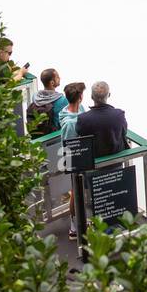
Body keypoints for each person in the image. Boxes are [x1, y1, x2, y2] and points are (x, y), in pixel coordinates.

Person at [58, 81, 87, 238]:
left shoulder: (79, 109)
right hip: (76, 161)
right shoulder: (69, 123)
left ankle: (81, 221)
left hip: (83, 157)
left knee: (79, 193)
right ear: (80, 97)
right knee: (75, 194)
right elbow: (70, 146)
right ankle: (74, 227)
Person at [74, 81, 129, 158]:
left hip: (93, 164)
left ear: (91, 97)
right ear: (109, 95)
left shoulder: (83, 119)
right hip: (116, 162)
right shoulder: (119, 114)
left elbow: (79, 133)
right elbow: (124, 131)